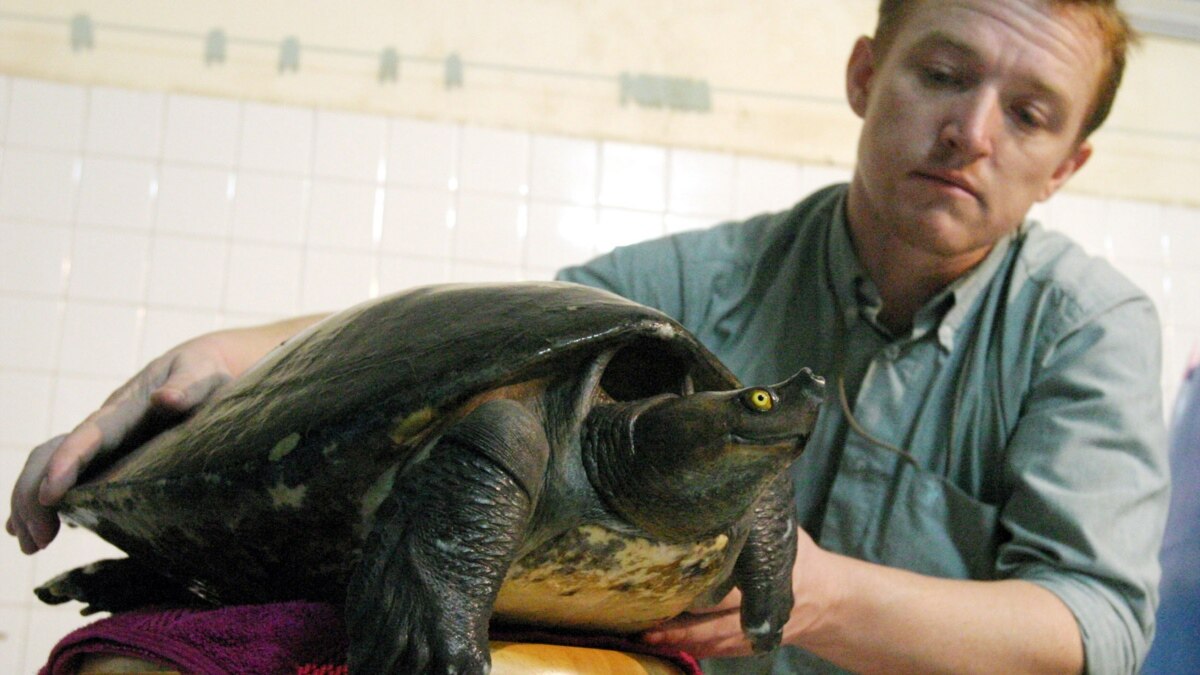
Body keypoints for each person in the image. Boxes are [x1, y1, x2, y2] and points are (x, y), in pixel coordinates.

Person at [8, 0, 1170, 672]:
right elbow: (491, 345)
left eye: (1027, 114)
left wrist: (815, 596)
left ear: (1067, 164)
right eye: (941, 73)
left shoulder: (1085, 330)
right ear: (868, 75)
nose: (968, 131)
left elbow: (1098, 626)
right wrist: (244, 353)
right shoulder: (705, 282)